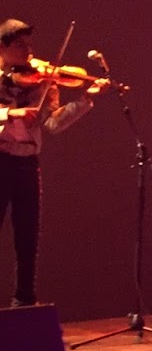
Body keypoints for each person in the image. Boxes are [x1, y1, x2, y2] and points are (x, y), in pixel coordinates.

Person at [0, 19, 100, 306]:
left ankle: (25, 301)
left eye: (30, 44)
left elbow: (53, 123)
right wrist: (10, 114)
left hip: (26, 161)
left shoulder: (41, 79)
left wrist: (85, 99)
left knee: (28, 236)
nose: (29, 52)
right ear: (2, 47)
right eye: (20, 45)